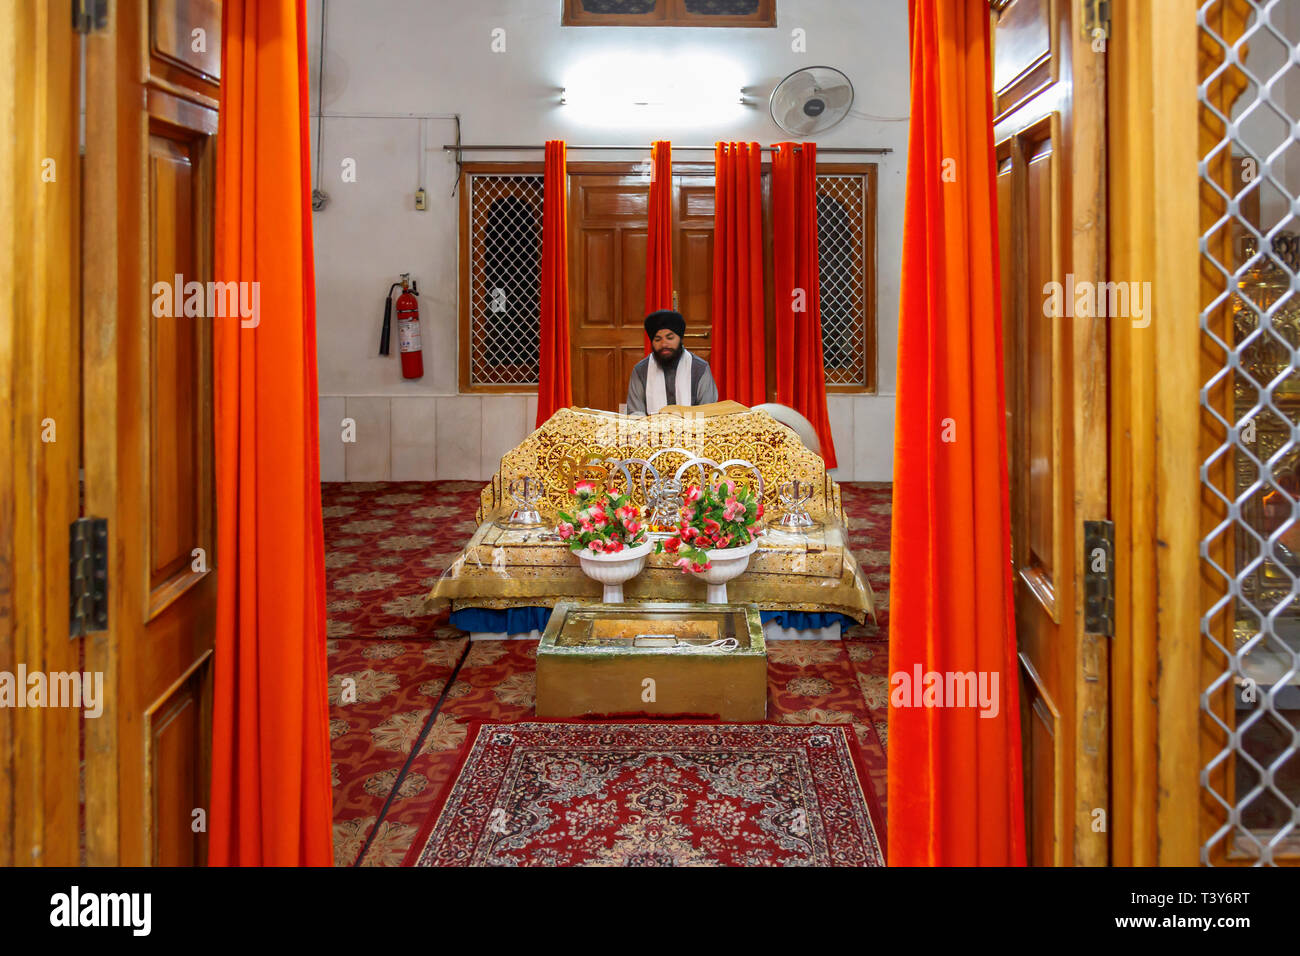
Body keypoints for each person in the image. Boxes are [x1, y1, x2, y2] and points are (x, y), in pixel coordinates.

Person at [624, 310, 718, 416]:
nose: (664, 344)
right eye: (658, 339)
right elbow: (635, 413)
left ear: (680, 338)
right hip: (652, 431)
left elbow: (708, 412)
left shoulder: (699, 369)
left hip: (693, 431)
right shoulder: (641, 371)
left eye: (670, 338)